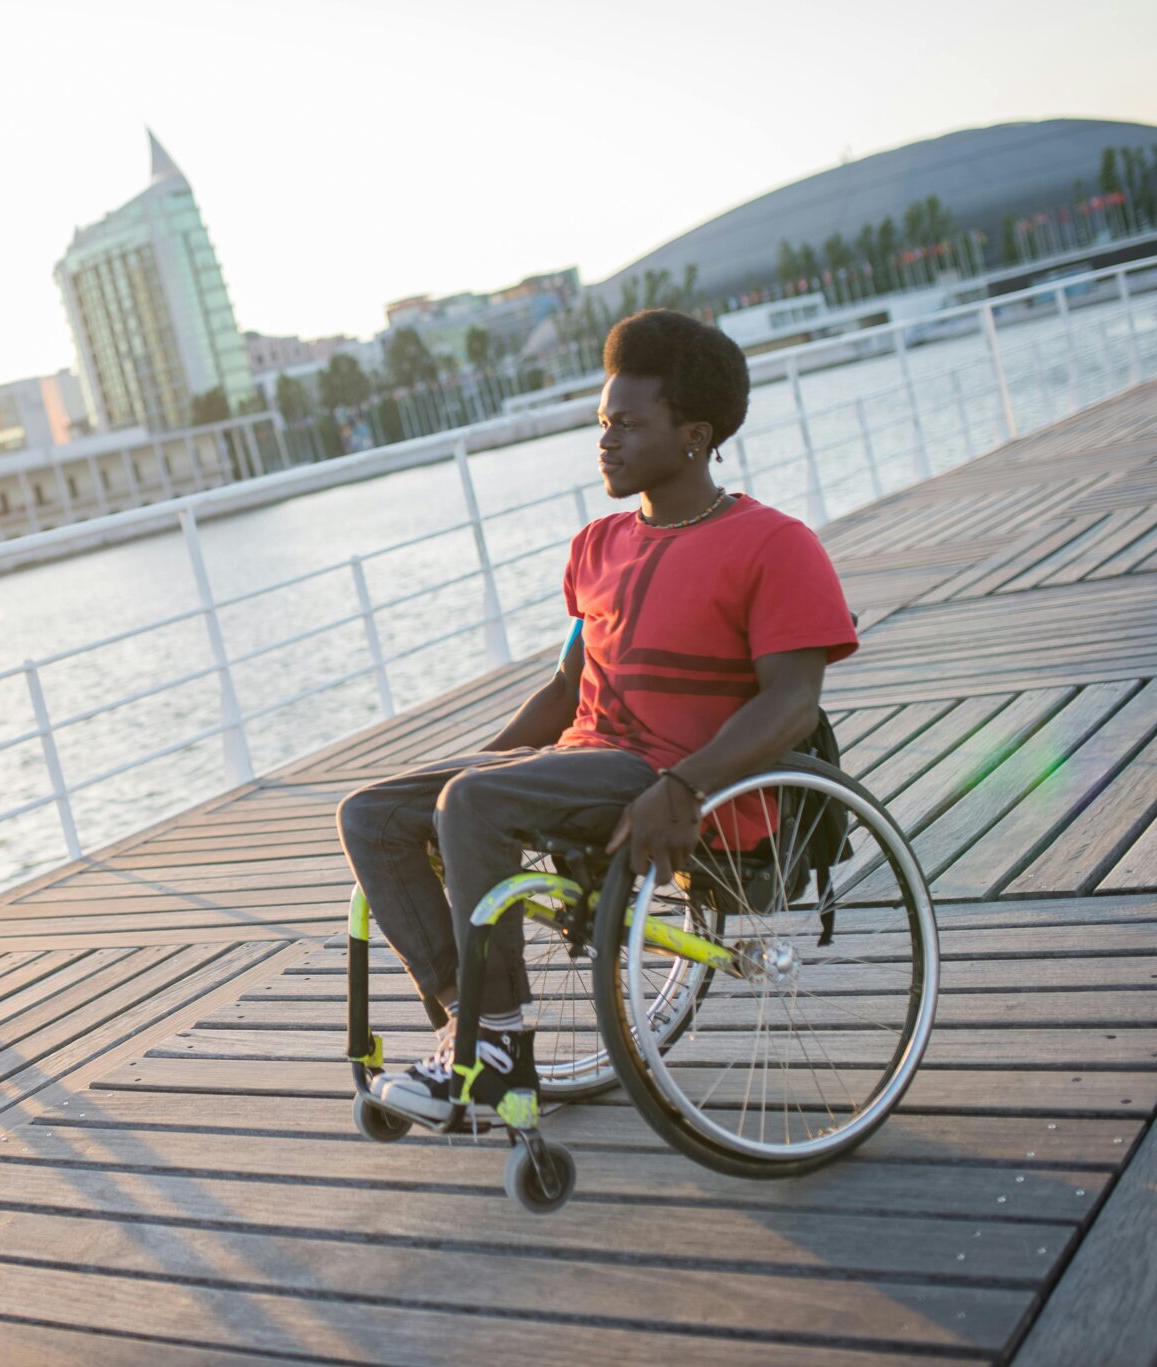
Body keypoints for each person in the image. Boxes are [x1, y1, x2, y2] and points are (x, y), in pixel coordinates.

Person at [336, 308, 859, 1125]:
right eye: (602, 422)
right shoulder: (597, 546)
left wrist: (684, 784)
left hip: (670, 773)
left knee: (469, 802)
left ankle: (495, 1044)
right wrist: (475, 769)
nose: (605, 441)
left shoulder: (774, 544)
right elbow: (562, 692)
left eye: (628, 424)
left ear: (694, 435)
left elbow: (794, 701)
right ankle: (470, 1024)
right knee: (371, 813)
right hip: (583, 760)